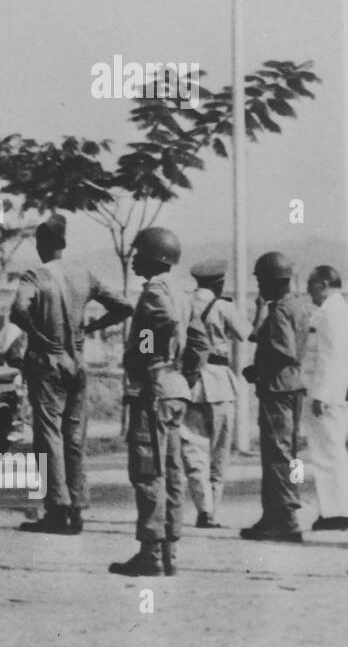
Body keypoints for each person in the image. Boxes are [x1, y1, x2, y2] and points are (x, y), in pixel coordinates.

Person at [11, 214, 132, 535]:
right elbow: (123, 307)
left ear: (41, 245)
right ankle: (77, 508)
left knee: (49, 435)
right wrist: (89, 328)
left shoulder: (34, 275)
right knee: (74, 438)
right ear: (63, 244)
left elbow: (18, 311)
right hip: (77, 362)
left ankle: (57, 508)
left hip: (47, 363)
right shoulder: (84, 274)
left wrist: (38, 335)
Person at [110, 226, 192, 577]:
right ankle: (169, 550)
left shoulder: (155, 292)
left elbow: (164, 323)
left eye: (138, 253)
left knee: (148, 470)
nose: (133, 258)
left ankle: (151, 553)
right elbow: (195, 339)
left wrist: (146, 356)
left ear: (153, 257)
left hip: (155, 387)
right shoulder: (182, 291)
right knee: (172, 470)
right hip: (175, 385)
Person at [240, 252, 311, 543]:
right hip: (291, 387)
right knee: (287, 454)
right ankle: (275, 515)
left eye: (260, 280)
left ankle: (286, 519)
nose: (259, 286)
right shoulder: (297, 305)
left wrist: (258, 369)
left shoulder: (281, 310)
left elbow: (285, 350)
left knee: (277, 455)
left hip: (278, 389)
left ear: (271, 280)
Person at [179, 259, 250, 528]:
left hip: (191, 381)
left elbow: (153, 336)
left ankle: (204, 509)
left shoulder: (183, 303)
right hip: (220, 383)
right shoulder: (224, 306)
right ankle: (213, 509)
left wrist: (145, 351)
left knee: (194, 449)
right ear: (218, 283)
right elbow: (247, 334)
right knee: (220, 452)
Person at [303, 266, 348, 531]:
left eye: (311, 283)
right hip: (330, 392)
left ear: (323, 284)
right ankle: (335, 509)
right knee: (331, 452)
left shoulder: (333, 313)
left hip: (326, 395)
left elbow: (333, 358)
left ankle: (336, 512)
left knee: (328, 453)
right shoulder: (335, 310)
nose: (308, 289)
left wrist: (323, 394)